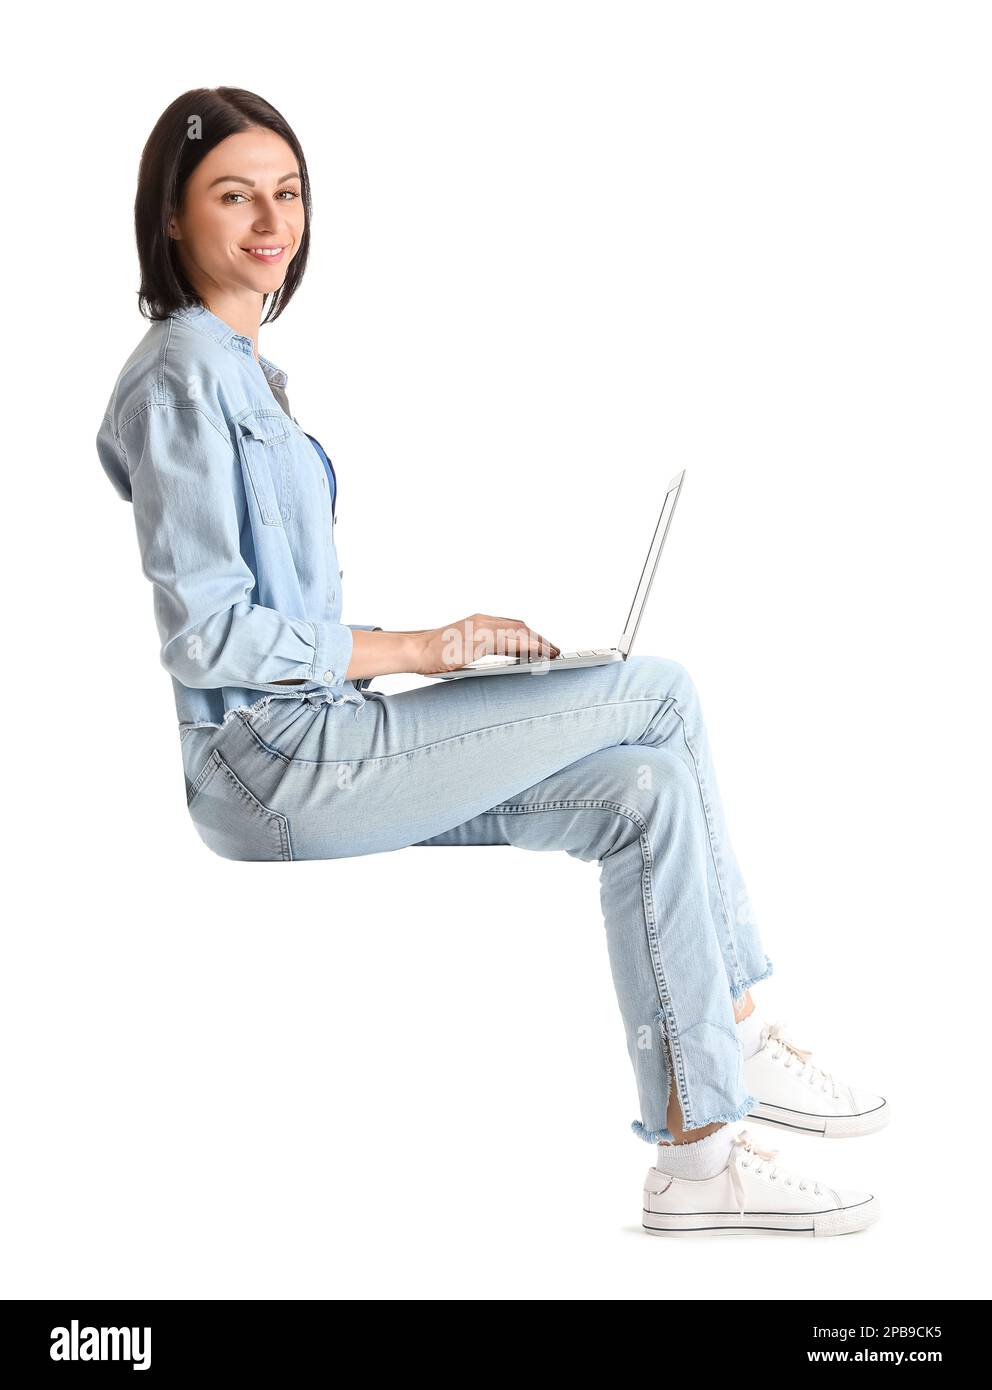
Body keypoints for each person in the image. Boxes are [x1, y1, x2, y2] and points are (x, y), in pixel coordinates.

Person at [97, 86, 888, 1236]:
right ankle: (737, 1026)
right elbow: (209, 637)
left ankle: (697, 1161)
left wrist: (444, 656)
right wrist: (425, 647)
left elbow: (287, 619)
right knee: (657, 692)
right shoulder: (179, 376)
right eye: (234, 196)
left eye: (289, 192)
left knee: (640, 790)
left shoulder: (242, 369)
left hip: (323, 737)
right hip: (274, 762)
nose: (271, 220)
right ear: (170, 219)